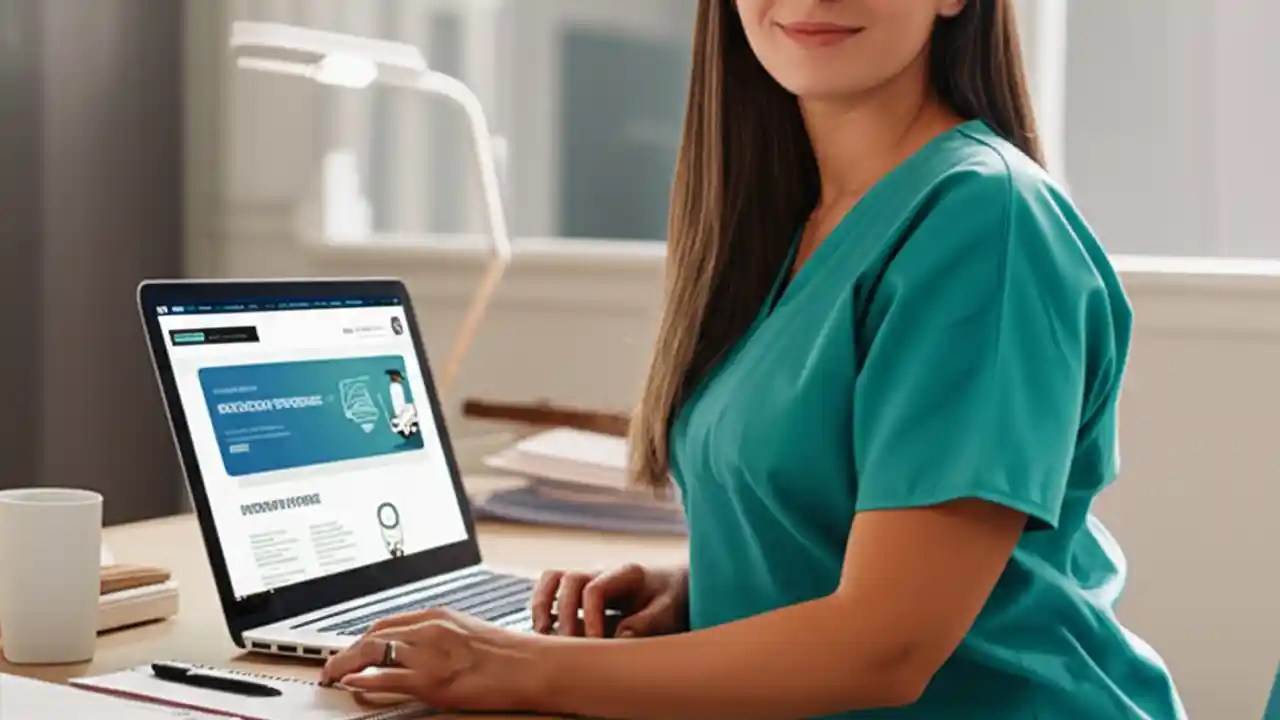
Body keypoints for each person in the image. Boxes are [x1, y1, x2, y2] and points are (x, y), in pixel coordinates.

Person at [321, 1, 1187, 717]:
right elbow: (864, 525)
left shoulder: (983, 225)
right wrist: (713, 588)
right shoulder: (799, 221)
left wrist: (503, 665)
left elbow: (884, 648)